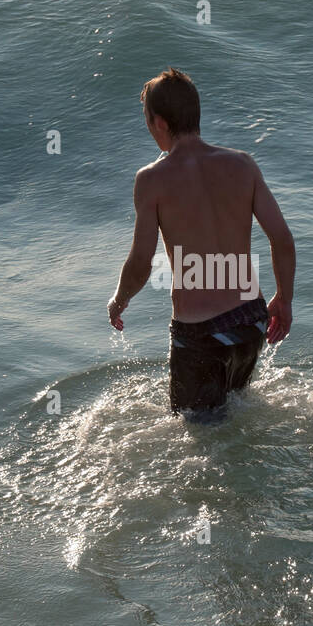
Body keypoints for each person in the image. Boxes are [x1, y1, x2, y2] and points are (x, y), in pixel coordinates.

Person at [108, 68, 296, 418]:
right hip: (250, 320)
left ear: (160, 123)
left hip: (200, 335)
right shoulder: (242, 165)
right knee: (236, 417)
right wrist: (284, 298)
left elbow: (141, 261)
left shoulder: (151, 180)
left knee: (200, 440)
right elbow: (282, 239)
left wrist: (119, 300)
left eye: (148, 122)